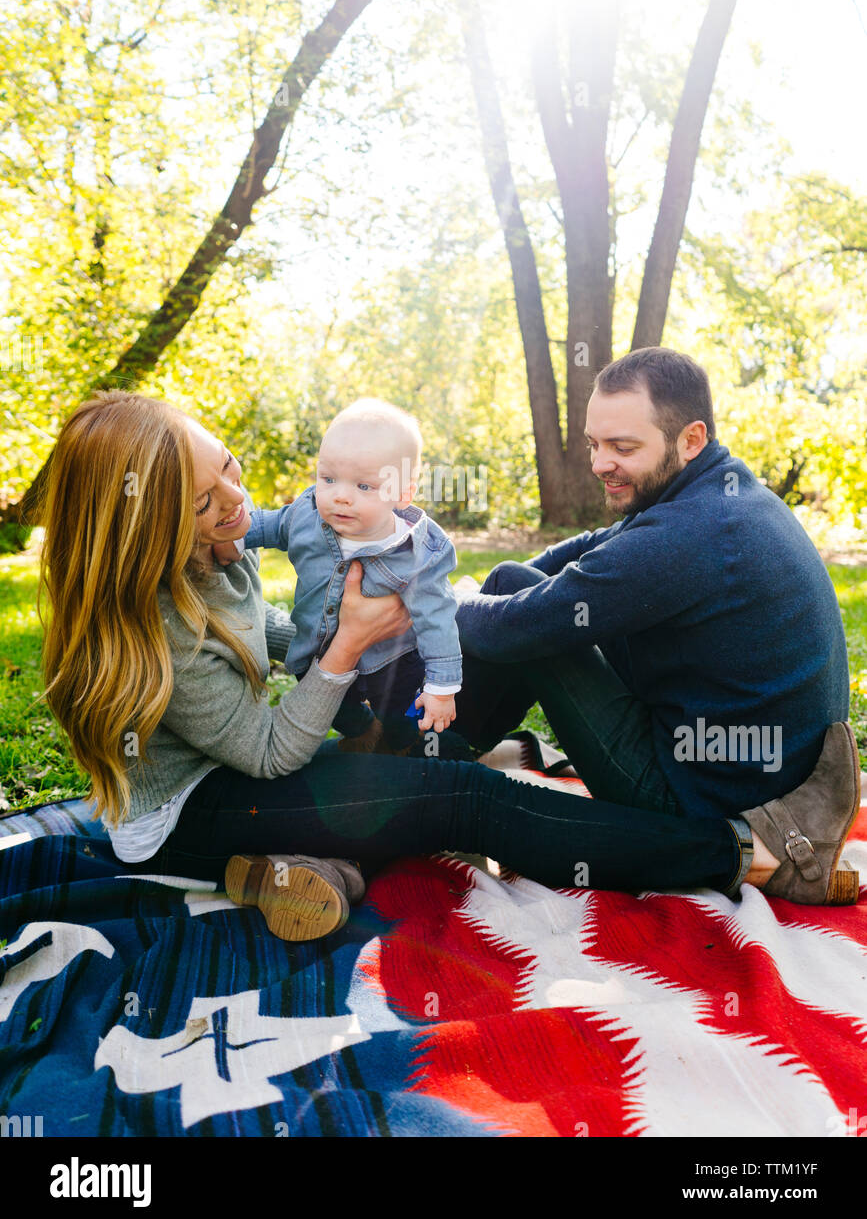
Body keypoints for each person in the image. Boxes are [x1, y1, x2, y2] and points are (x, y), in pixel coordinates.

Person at [37, 389, 858, 946]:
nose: (236, 498)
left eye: (230, 466)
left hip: (257, 772)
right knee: (463, 800)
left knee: (465, 671)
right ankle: (751, 854)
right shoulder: (152, 625)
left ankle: (323, 863)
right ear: (148, 530)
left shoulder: (215, 556)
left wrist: (377, 641)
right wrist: (352, 648)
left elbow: (274, 635)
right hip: (205, 811)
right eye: (208, 496)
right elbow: (267, 754)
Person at [452, 346, 860, 905]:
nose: (599, 463)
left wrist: (443, 602)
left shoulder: (695, 532)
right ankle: (437, 750)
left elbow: (511, 628)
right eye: (595, 444)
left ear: (690, 439)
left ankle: (424, 764)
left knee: (524, 622)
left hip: (709, 800)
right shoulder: (714, 492)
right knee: (510, 581)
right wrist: (488, 590)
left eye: (623, 447)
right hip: (743, 769)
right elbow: (594, 550)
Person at [227, 398, 462, 751]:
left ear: (402, 493)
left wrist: (441, 686)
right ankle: (363, 730)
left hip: (391, 661)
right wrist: (231, 537)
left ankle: (404, 745)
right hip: (318, 653)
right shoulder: (306, 515)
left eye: (363, 486)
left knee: (400, 718)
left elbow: (437, 618)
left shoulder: (418, 550)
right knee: (336, 712)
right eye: (329, 478)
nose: (340, 497)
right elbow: (267, 524)